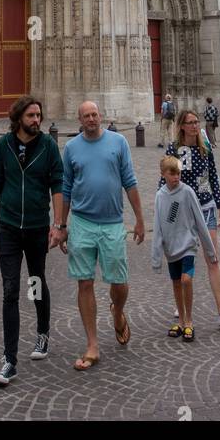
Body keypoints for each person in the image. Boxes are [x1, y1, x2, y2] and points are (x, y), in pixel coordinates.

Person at [0, 95, 64, 387]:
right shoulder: (3, 146)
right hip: (9, 227)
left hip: (37, 226)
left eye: (39, 115)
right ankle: (9, 360)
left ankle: (42, 332)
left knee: (36, 281)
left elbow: (58, 184)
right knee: (10, 290)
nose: (36, 120)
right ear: (19, 118)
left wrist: (58, 224)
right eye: (31, 116)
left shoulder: (48, 146)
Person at [61, 101, 145, 371]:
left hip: (112, 223)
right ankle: (92, 344)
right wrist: (60, 225)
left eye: (95, 114)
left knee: (119, 282)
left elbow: (129, 181)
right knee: (84, 282)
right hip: (82, 222)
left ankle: (117, 311)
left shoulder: (118, 142)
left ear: (101, 116)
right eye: (86, 116)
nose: (91, 119)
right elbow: (65, 186)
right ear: (79, 120)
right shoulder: (71, 148)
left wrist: (140, 219)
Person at [165, 109, 220, 327]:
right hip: (182, 211)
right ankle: (181, 304)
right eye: (190, 123)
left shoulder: (205, 147)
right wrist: (166, 217)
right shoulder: (174, 150)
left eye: (196, 122)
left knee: (213, 257)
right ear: (181, 126)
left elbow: (213, 177)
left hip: (206, 207)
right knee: (180, 259)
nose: (194, 126)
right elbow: (166, 184)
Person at [152, 154, 218, 341]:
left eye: (178, 173)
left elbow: (199, 220)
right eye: (172, 173)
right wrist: (156, 257)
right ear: (163, 174)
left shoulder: (187, 192)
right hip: (171, 249)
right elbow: (157, 226)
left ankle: (189, 321)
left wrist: (210, 249)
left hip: (188, 245)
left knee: (186, 280)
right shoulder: (160, 196)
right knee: (176, 283)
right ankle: (180, 320)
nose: (176, 177)